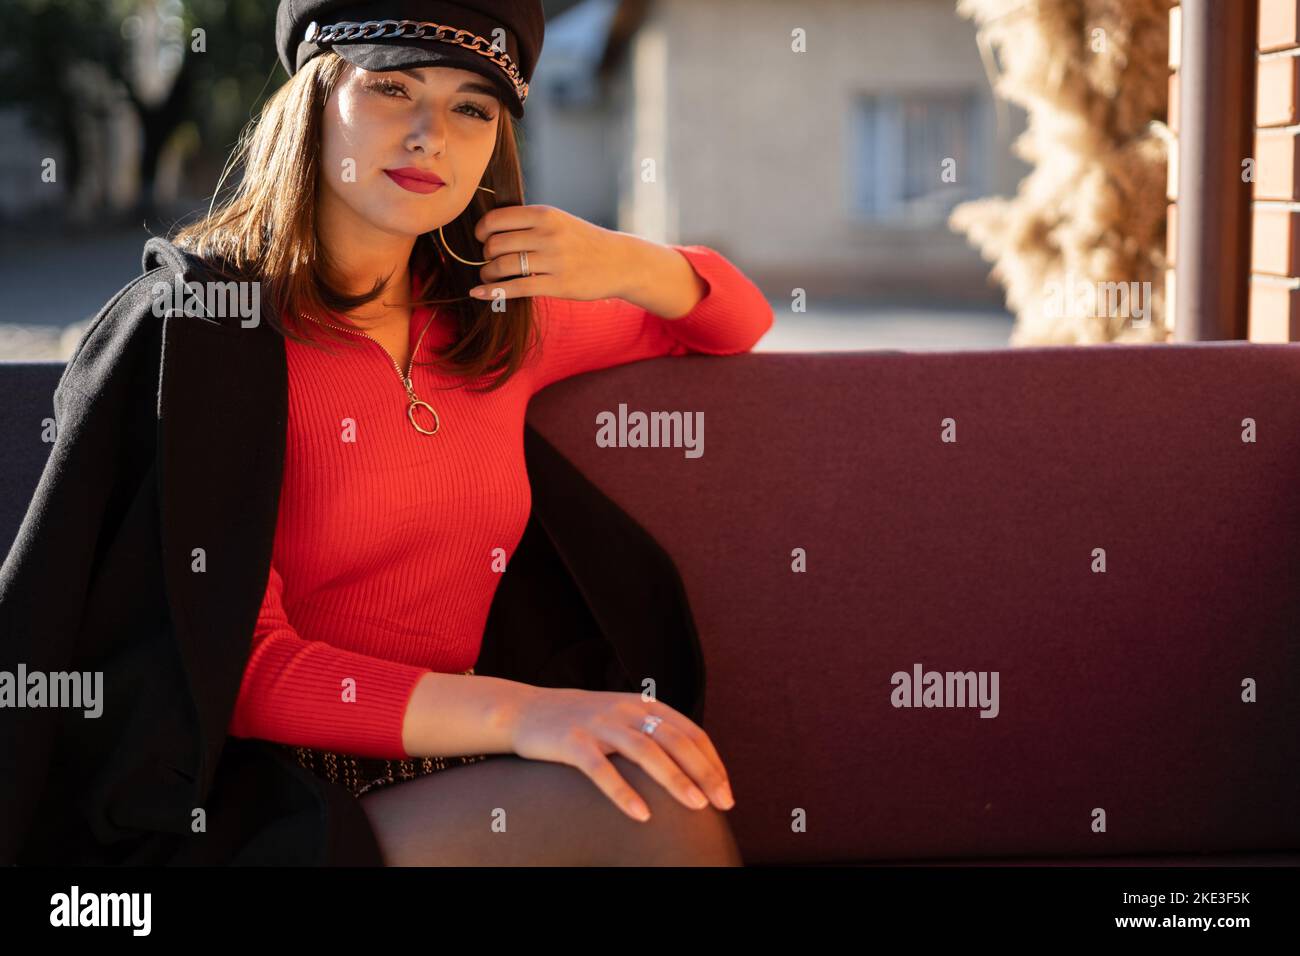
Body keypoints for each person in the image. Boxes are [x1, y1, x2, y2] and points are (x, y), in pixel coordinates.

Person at [0, 0, 773, 866]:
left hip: (456, 762)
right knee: (656, 815)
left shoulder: (498, 323)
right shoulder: (214, 332)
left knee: (649, 788)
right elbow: (234, 666)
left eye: (472, 107)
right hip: (258, 791)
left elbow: (734, 319)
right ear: (315, 95)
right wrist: (526, 712)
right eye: (393, 87)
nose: (429, 135)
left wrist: (626, 261)